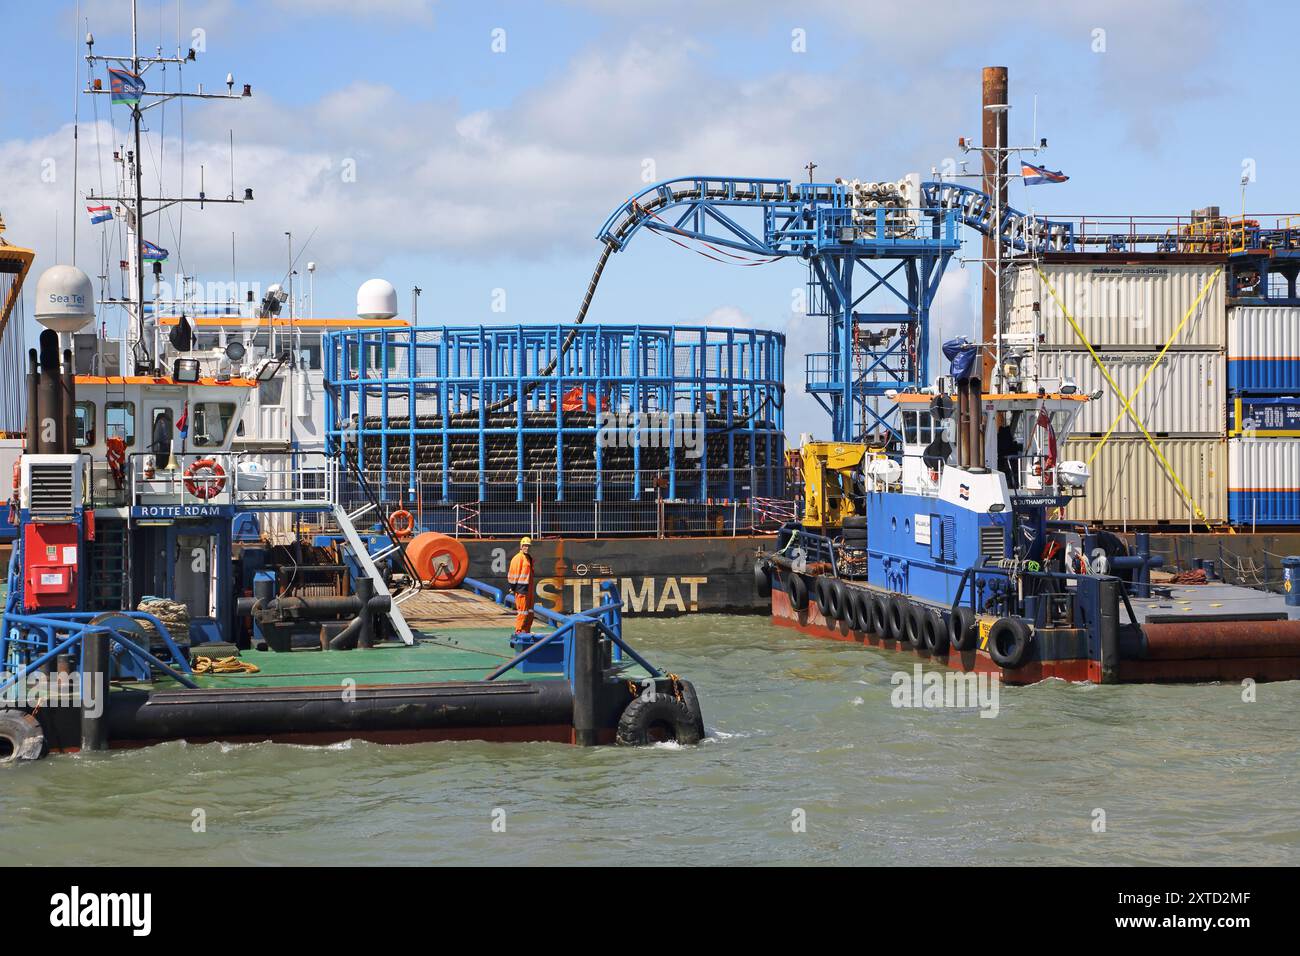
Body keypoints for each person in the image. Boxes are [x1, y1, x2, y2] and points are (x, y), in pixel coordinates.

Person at [508, 536, 535, 636]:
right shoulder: (518, 558)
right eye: (525, 546)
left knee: (530, 611)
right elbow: (513, 574)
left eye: (528, 546)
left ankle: (526, 631)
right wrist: (513, 587)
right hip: (522, 589)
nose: (526, 548)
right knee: (522, 612)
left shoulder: (528, 558)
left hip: (529, 589)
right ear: (521, 546)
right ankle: (519, 632)